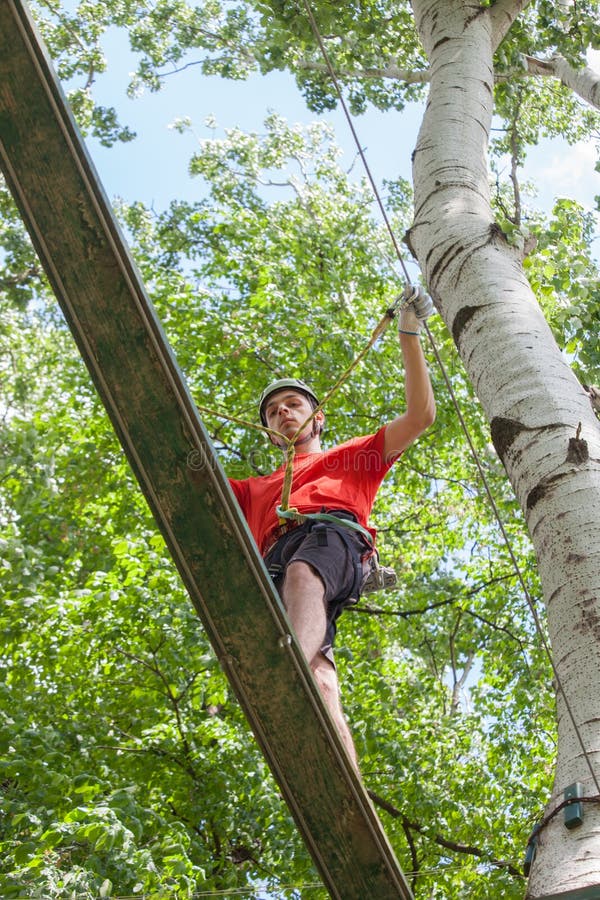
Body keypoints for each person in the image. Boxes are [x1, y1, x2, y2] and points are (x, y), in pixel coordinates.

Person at [228, 288, 436, 770]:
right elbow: (192, 489)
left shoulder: (354, 457)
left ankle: (289, 673)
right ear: (269, 430)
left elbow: (420, 416)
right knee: (324, 680)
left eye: (293, 403)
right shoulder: (253, 488)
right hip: (274, 566)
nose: (283, 411)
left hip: (330, 539)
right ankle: (349, 787)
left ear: (316, 416)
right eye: (274, 410)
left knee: (304, 574)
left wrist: (408, 334)